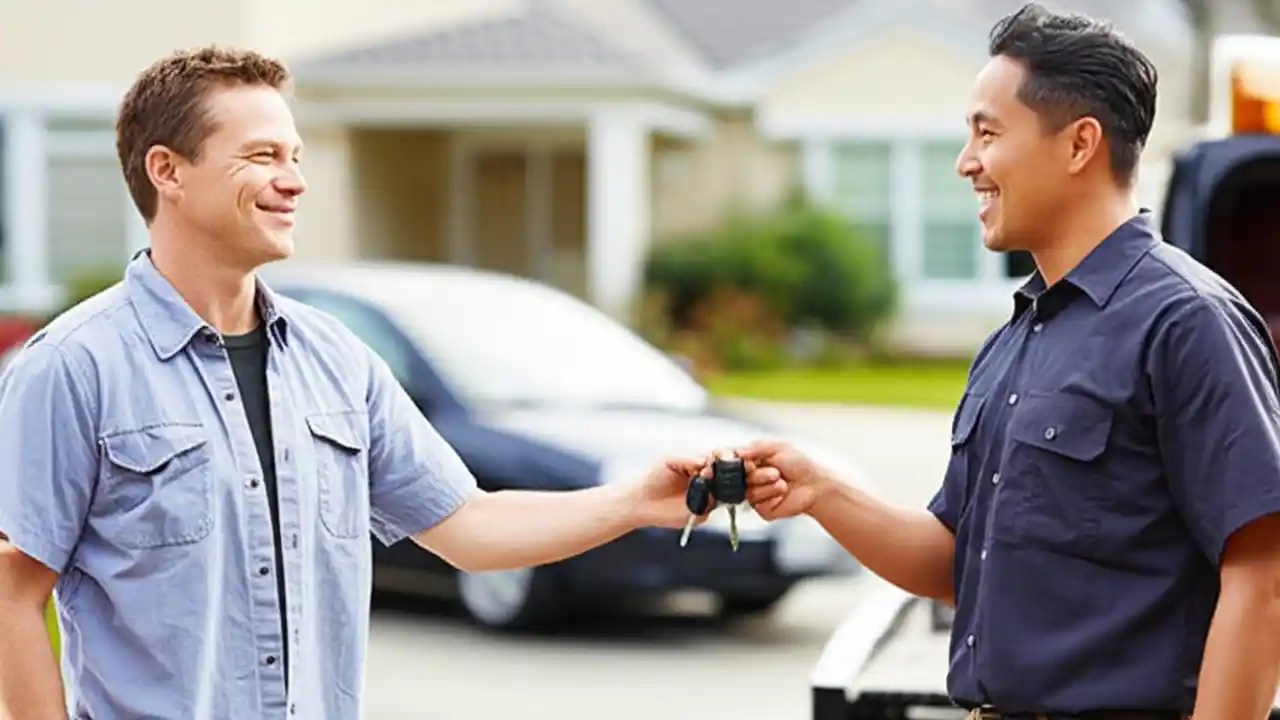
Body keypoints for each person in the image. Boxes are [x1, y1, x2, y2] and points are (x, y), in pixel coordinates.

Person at [0, 46, 717, 720]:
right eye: (262, 156)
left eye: (296, 157)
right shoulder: (71, 368)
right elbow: (11, 594)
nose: (294, 180)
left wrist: (631, 502)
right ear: (168, 170)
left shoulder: (336, 361)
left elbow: (471, 526)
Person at [739, 4, 1280, 720]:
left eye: (987, 134)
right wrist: (821, 492)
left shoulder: (1187, 321)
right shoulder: (1013, 342)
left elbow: (1263, 575)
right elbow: (957, 562)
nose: (966, 163)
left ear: (1079, 143)